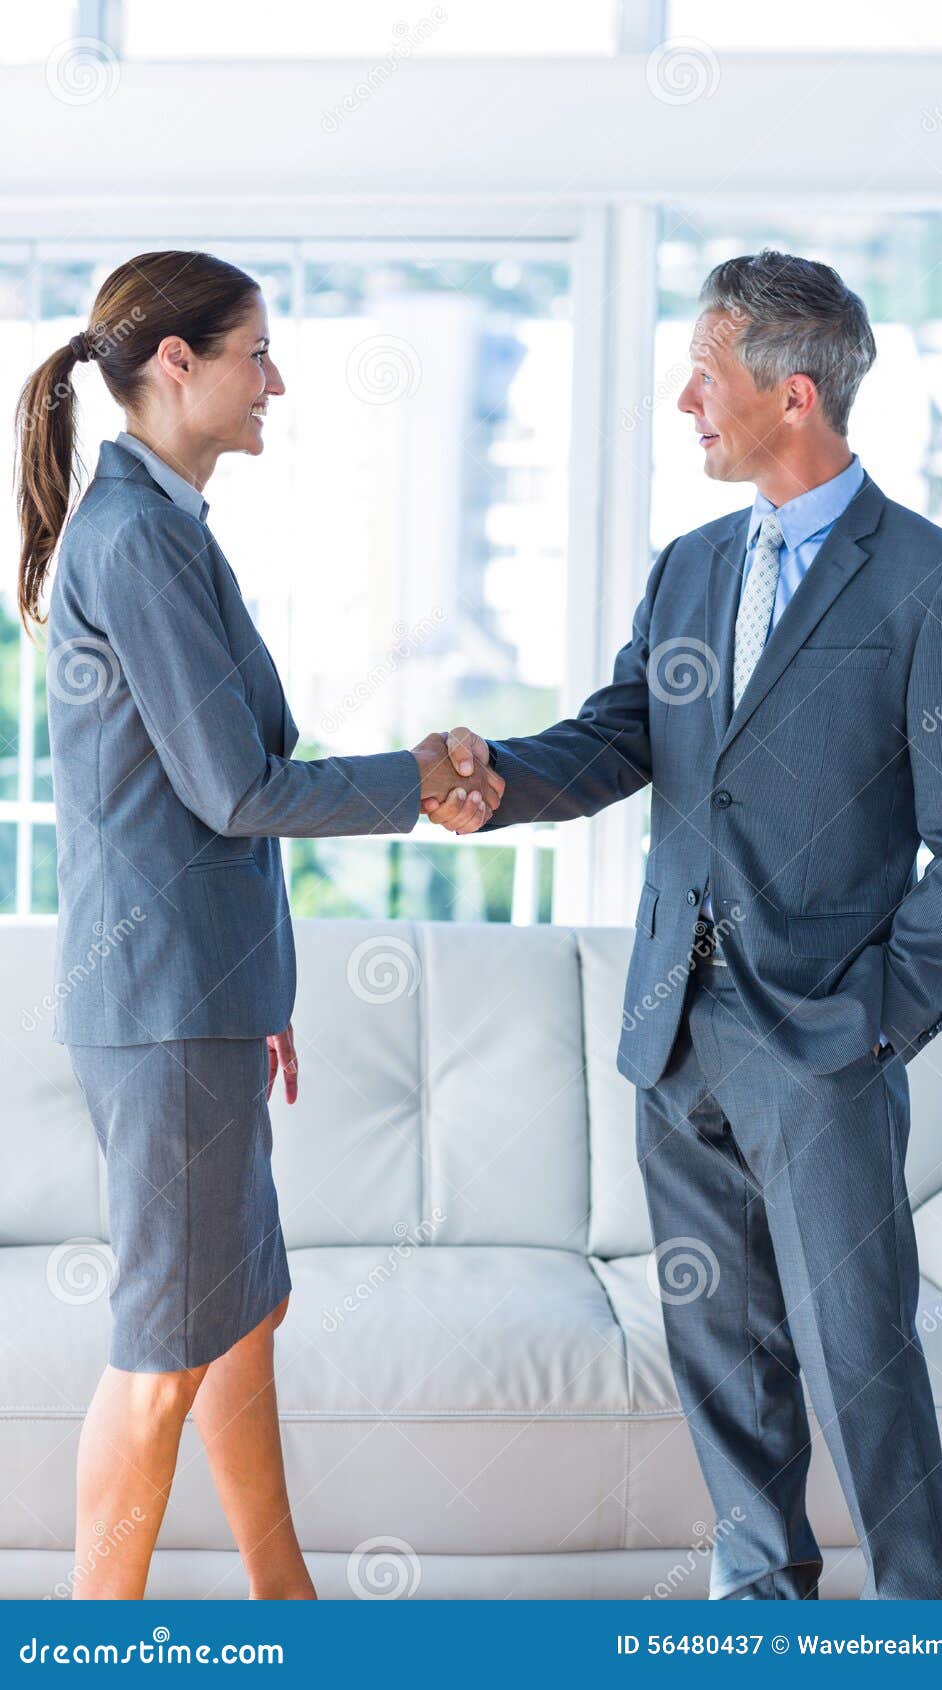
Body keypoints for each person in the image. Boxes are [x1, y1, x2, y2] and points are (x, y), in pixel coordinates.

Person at [427, 250, 942, 1599]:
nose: (685, 404)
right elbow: (625, 734)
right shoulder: (691, 569)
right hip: (673, 1023)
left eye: (704, 373)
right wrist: (498, 780)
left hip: (824, 1039)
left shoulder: (938, 584)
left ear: (792, 392)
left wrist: (879, 1019)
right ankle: (760, 1605)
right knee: (720, 1343)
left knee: (857, 1344)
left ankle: (920, 1621)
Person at [14, 249, 501, 1600]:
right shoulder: (135, 537)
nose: (273, 378)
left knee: (243, 1315)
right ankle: (95, 1640)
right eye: (254, 352)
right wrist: (416, 778)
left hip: (200, 999)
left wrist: (257, 986)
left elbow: (188, 796)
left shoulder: (163, 527)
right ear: (177, 363)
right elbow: (235, 789)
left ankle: (288, 1603)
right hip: (164, 1009)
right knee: (167, 1347)